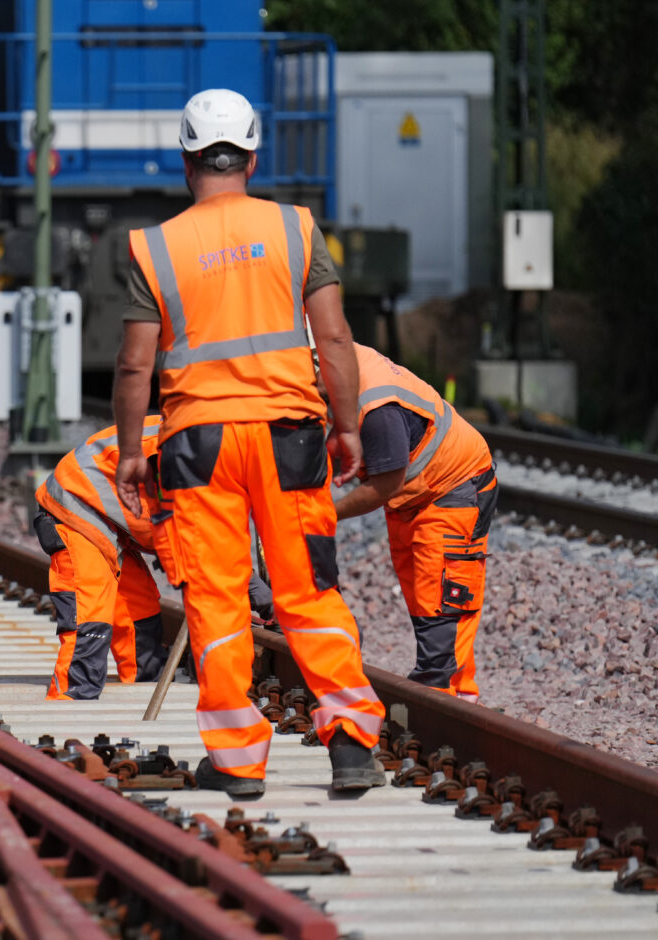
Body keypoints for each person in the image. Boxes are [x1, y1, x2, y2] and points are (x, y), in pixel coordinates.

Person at [112, 88, 385, 797]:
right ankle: (353, 742)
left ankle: (236, 762)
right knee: (308, 589)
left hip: (197, 444)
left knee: (219, 597)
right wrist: (349, 423)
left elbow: (136, 363)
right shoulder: (296, 229)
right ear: (252, 158)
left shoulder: (157, 245)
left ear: (187, 160)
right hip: (290, 437)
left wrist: (133, 451)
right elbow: (332, 336)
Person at [334, 345, 497, 701]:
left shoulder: (377, 409)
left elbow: (382, 485)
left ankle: (440, 691)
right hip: (414, 492)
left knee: (440, 594)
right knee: (423, 590)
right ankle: (455, 691)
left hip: (453, 485)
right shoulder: (336, 359)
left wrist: (327, 514)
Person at [33, 421, 175, 699]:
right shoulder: (191, 442)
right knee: (90, 614)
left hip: (111, 519)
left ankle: (141, 693)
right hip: (75, 509)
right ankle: (71, 704)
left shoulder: (211, 435)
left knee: (140, 612)